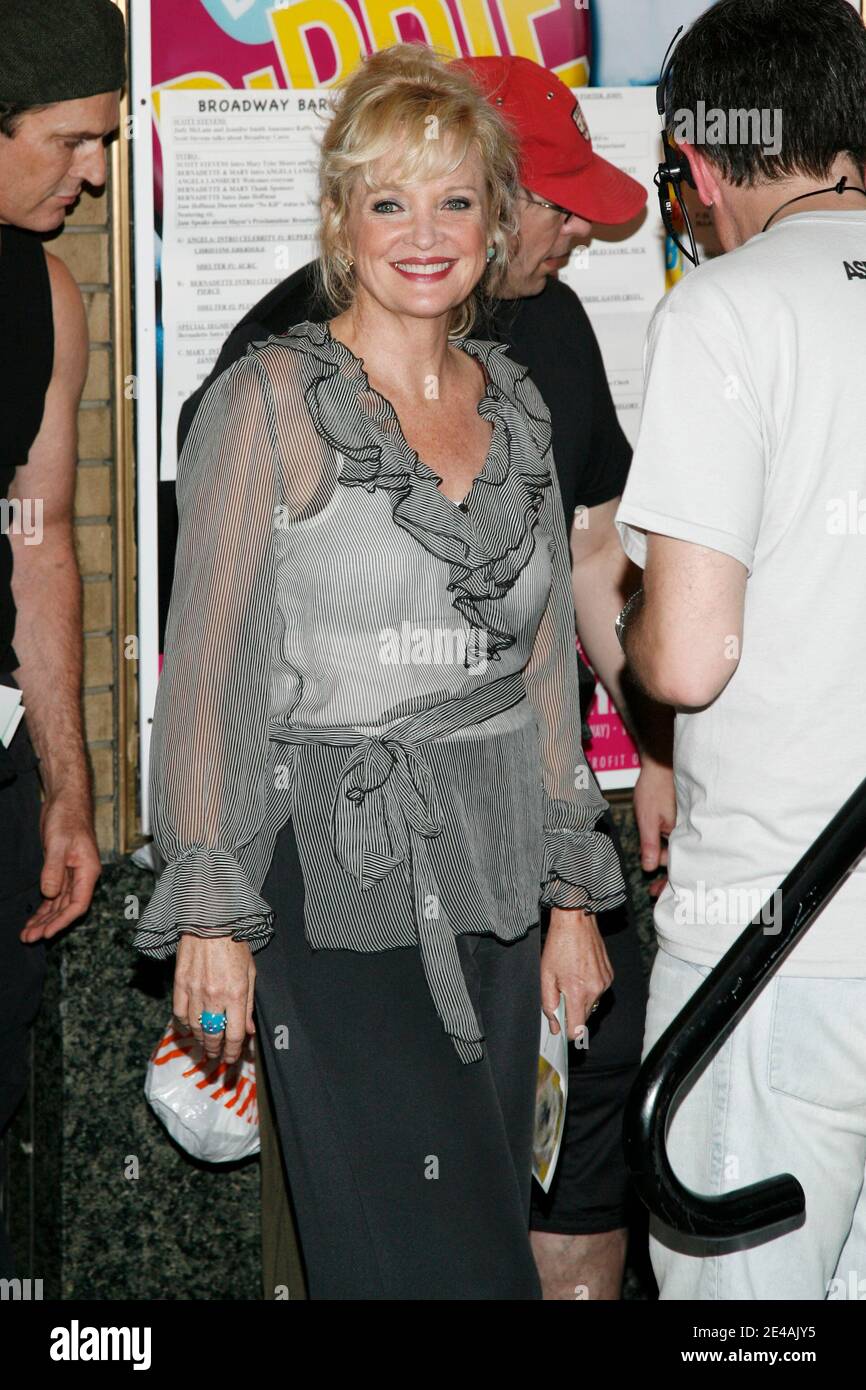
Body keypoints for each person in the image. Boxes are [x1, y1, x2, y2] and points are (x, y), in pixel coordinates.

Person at [134, 42, 627, 1300]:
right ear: (342, 222)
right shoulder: (270, 402)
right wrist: (209, 913)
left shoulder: (513, 401)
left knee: (479, 1229)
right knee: (418, 1260)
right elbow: (208, 678)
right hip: (334, 878)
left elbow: (537, 678)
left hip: (500, 875)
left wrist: (573, 896)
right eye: (389, 201)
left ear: (494, 217)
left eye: (455, 199)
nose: (425, 232)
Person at [615, 0, 866, 1300]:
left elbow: (689, 656)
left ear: (702, 164)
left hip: (773, 942)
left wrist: (628, 608)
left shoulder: (722, 311)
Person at [0, 0, 124, 1278]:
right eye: (70, 141)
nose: (93, 172)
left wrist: (68, 794)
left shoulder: (43, 293)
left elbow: (38, 545)